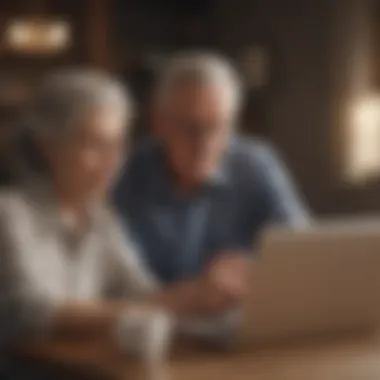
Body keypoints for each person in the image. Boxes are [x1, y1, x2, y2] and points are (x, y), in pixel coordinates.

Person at [0, 69, 212, 379]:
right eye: (93, 144)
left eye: (117, 144)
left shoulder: (102, 217)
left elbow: (141, 292)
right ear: (48, 145)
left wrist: (204, 294)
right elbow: (30, 312)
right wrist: (162, 305)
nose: (112, 162)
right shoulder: (9, 213)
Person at [114, 52, 310, 320]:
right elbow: (116, 284)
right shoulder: (124, 175)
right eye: (191, 127)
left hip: (239, 320)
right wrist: (195, 292)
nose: (204, 143)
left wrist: (249, 268)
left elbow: (301, 250)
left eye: (218, 127)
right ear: (159, 123)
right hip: (154, 324)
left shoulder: (255, 165)